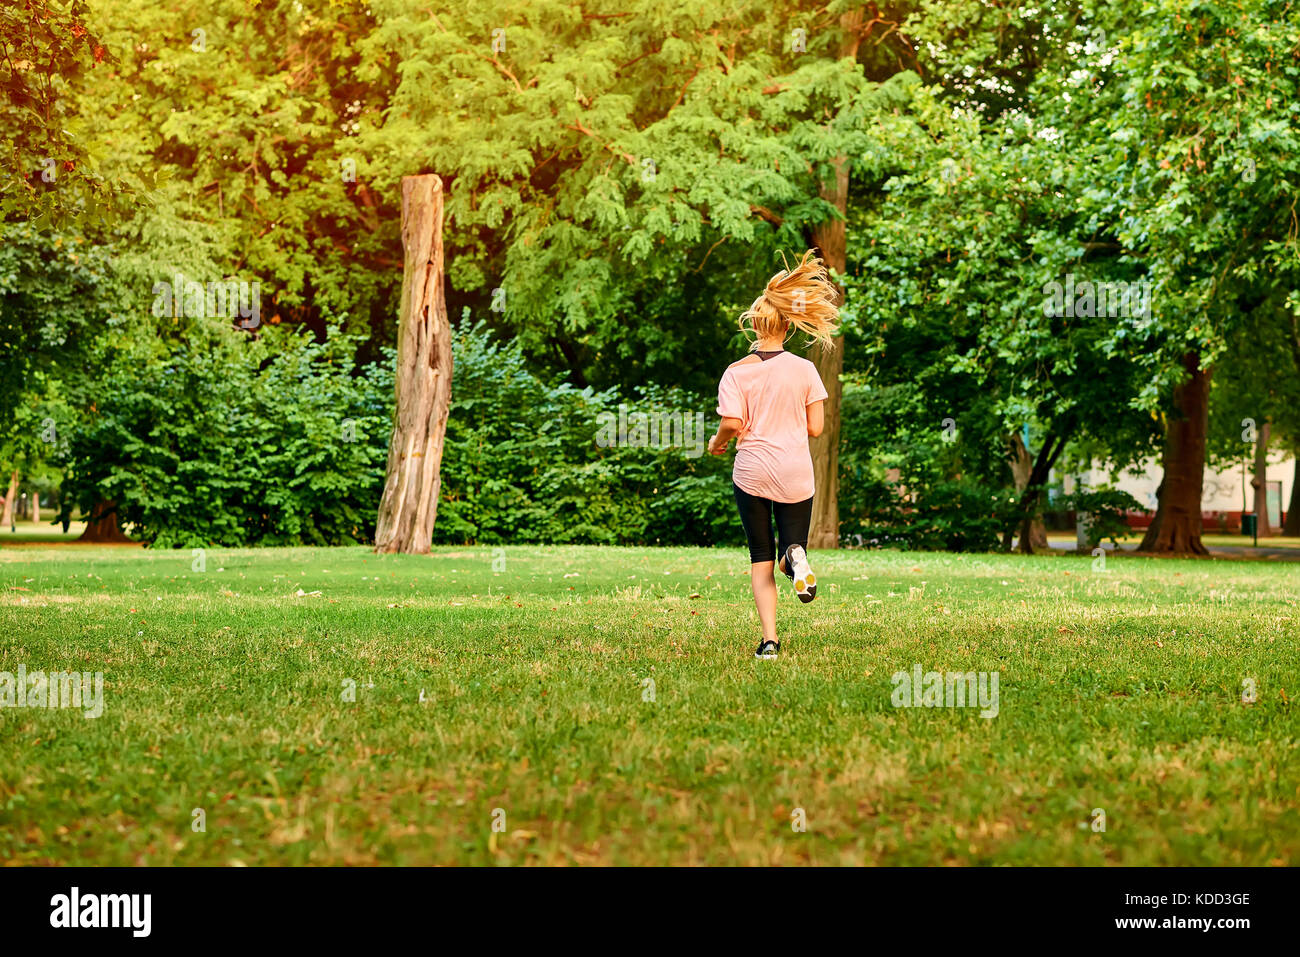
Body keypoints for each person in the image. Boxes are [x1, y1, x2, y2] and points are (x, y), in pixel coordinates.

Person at [707, 250, 839, 659]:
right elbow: (816, 428)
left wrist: (717, 442)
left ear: (756, 325)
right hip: (795, 469)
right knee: (789, 545)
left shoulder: (736, 371)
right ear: (788, 324)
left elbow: (731, 422)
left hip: (753, 471)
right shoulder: (804, 370)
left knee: (759, 554)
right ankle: (794, 555)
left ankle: (769, 642)